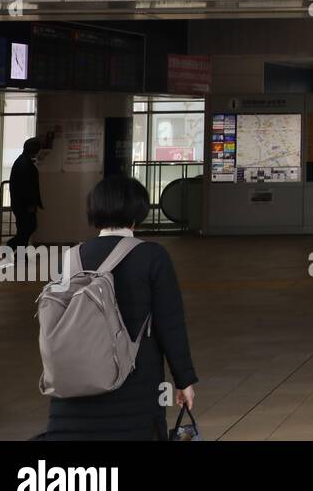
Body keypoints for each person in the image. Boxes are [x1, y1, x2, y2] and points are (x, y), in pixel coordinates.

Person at [44, 176, 198, 441]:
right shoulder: (152, 256)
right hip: (134, 393)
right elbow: (170, 325)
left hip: (72, 397)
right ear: (137, 213)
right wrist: (184, 381)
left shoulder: (70, 259)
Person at [6, 137, 43, 249]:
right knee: (27, 228)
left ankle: (14, 248)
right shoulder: (24, 164)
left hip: (20, 204)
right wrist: (30, 204)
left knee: (26, 229)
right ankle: (14, 248)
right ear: (34, 150)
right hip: (24, 205)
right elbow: (26, 188)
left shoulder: (23, 161)